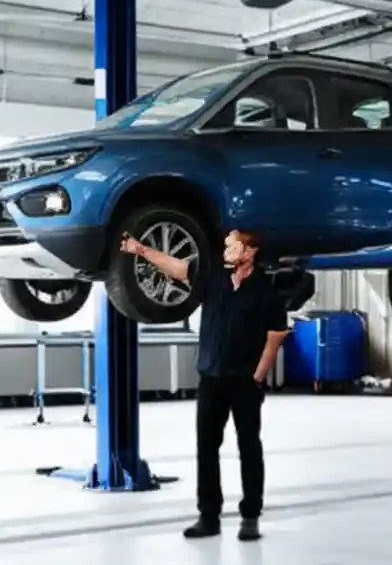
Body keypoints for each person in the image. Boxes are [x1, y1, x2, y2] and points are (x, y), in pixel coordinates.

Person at [120, 229, 289, 541]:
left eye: (231, 246)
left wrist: (257, 377)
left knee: (249, 448)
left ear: (249, 252)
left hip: (244, 383)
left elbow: (275, 337)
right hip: (211, 378)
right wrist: (141, 250)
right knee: (206, 449)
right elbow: (178, 268)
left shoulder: (267, 291)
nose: (224, 250)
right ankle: (208, 516)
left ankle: (250, 516)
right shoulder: (214, 280)